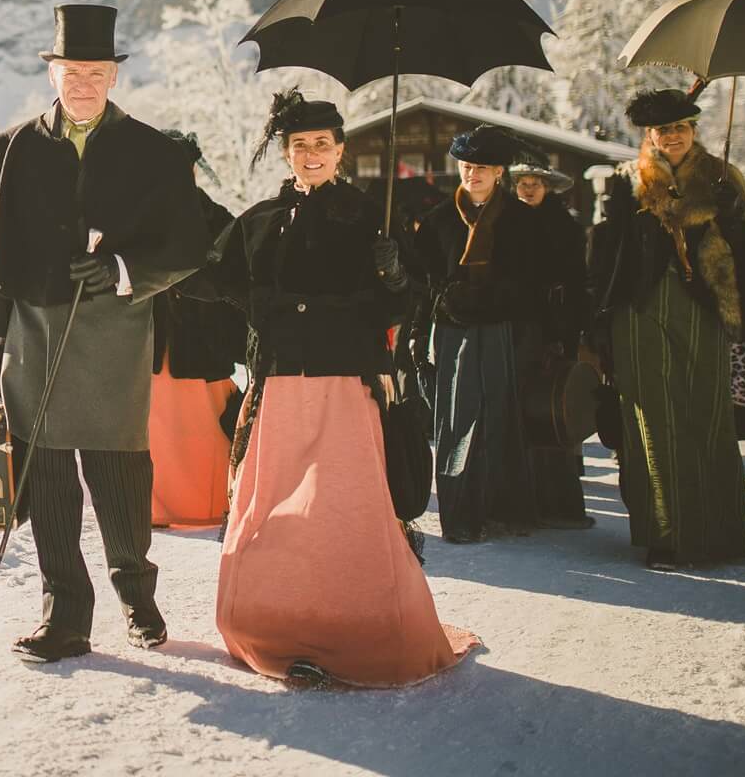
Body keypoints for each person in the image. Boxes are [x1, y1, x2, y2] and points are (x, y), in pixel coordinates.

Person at [187, 89, 476, 687]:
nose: (311, 154)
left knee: (343, 511)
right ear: (287, 155)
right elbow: (217, 282)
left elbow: (404, 300)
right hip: (279, 384)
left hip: (347, 382)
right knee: (272, 510)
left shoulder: (376, 216)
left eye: (322, 144)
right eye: (300, 146)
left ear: (340, 150)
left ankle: (360, 628)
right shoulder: (261, 220)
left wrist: (396, 272)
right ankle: (274, 623)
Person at [0, 4, 210, 663]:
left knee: (121, 477)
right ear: (53, 73)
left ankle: (136, 594)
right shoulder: (13, 150)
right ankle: (64, 614)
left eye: (96, 72)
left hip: (114, 341)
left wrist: (123, 269)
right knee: (51, 485)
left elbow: (188, 247)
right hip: (31, 342)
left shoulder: (151, 152)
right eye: (72, 70)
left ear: (114, 77)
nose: (84, 82)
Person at [587, 89, 745, 569]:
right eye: (663, 131)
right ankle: (666, 536)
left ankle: (718, 533)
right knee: (652, 422)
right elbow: (605, 252)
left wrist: (730, 214)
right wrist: (595, 318)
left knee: (706, 416)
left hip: (704, 310)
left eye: (680, 129)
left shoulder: (722, 179)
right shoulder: (625, 182)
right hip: (639, 311)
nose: (672, 138)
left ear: (694, 131)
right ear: (650, 135)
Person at [409, 127, 548, 542]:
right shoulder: (437, 221)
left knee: (502, 414)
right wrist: (425, 325)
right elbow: (423, 280)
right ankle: (462, 514)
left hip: (505, 329)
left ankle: (505, 510)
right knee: (457, 417)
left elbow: (532, 279)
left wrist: (505, 302)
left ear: (499, 172)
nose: (473, 175)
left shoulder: (522, 221)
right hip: (455, 330)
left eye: (482, 169)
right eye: (467, 168)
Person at [148, 155, 246, 529]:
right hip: (155, 342)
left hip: (205, 339)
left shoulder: (217, 219)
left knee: (207, 427)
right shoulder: (138, 220)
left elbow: (233, 277)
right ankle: (156, 508)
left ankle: (215, 502)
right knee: (157, 428)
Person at [509, 160, 595, 528]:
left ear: (548, 188)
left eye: (535, 184)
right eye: (523, 183)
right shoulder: (505, 223)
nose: (528, 189)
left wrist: (565, 332)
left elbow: (577, 283)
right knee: (522, 414)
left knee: (559, 410)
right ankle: (526, 500)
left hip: (556, 327)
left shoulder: (565, 227)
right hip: (517, 328)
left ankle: (561, 502)